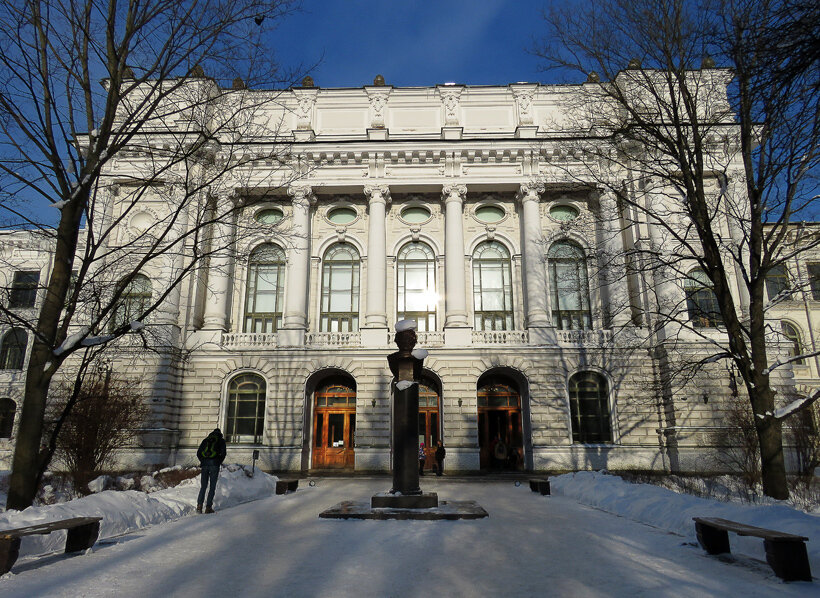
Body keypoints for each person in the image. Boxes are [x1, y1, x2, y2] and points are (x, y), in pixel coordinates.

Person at [196, 428, 226, 513]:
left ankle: (199, 506)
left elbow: (198, 453)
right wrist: (218, 461)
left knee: (203, 486)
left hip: (204, 465)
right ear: (220, 434)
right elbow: (223, 453)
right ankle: (208, 507)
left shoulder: (205, 440)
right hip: (214, 465)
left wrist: (203, 461)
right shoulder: (221, 441)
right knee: (212, 487)